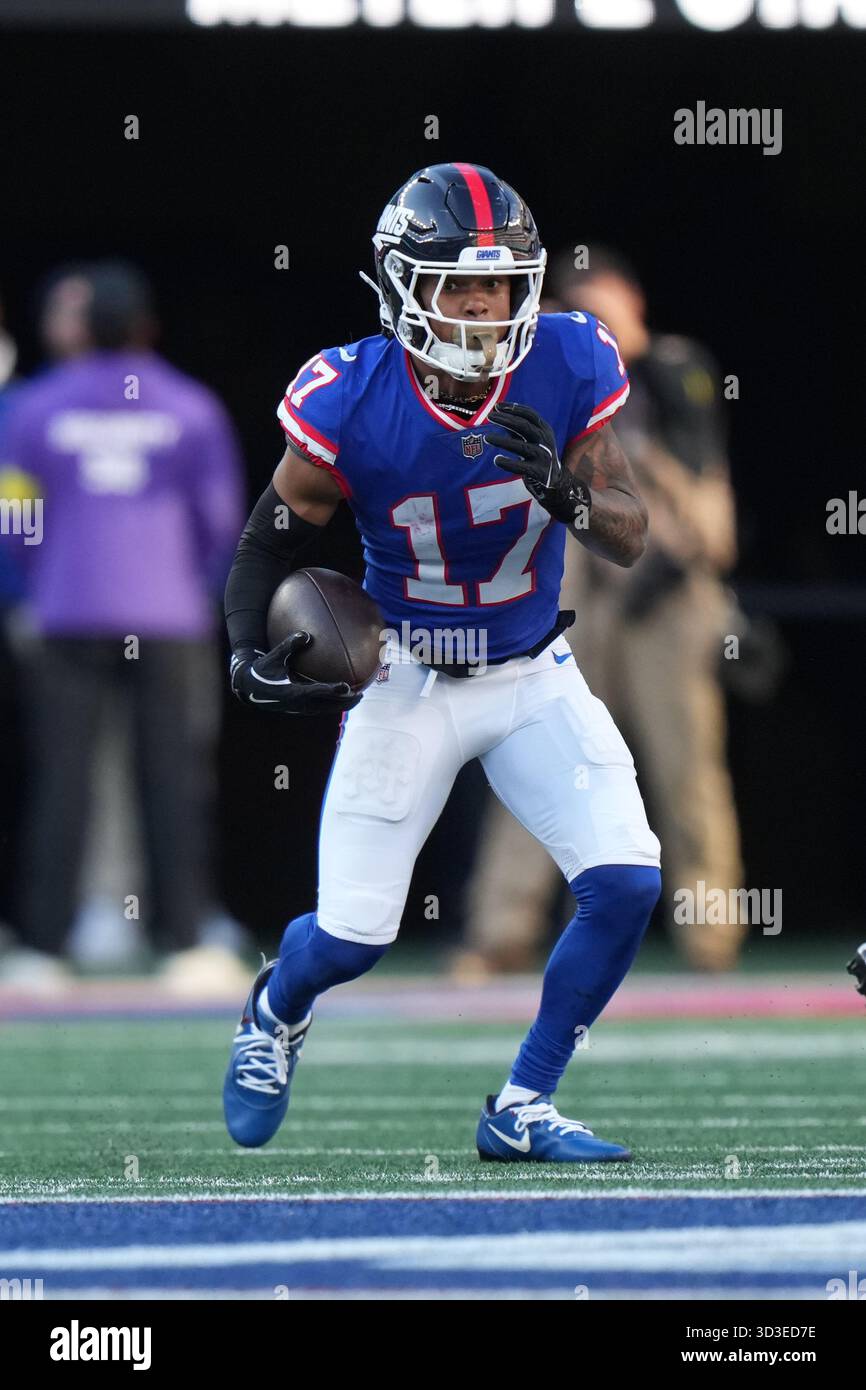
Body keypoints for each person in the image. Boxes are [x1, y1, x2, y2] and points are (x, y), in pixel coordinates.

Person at [222, 164, 661, 1163]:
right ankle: (275, 1003)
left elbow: (630, 536)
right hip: (406, 678)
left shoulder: (567, 361)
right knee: (350, 939)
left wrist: (569, 493)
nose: (480, 305)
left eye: (498, 284)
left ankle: (521, 1103)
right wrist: (247, 650)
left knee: (626, 881)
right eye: (457, 285)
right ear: (399, 286)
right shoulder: (349, 393)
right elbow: (266, 546)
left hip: (529, 668)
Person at [456, 248, 744, 974]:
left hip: (669, 585)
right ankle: (503, 933)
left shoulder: (675, 365)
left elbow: (701, 488)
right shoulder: (559, 368)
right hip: (583, 586)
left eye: (600, 304)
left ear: (632, 299)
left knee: (685, 768)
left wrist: (627, 348)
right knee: (538, 755)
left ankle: (709, 935)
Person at [2, 261, 247, 989]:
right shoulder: (191, 405)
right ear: (147, 327)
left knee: (62, 783)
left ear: (81, 330)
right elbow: (220, 523)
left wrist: (28, 586)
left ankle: (44, 949)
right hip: (165, 616)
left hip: (66, 613)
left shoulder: (37, 406)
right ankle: (186, 942)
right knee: (170, 781)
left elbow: (13, 516)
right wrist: (199, 593)